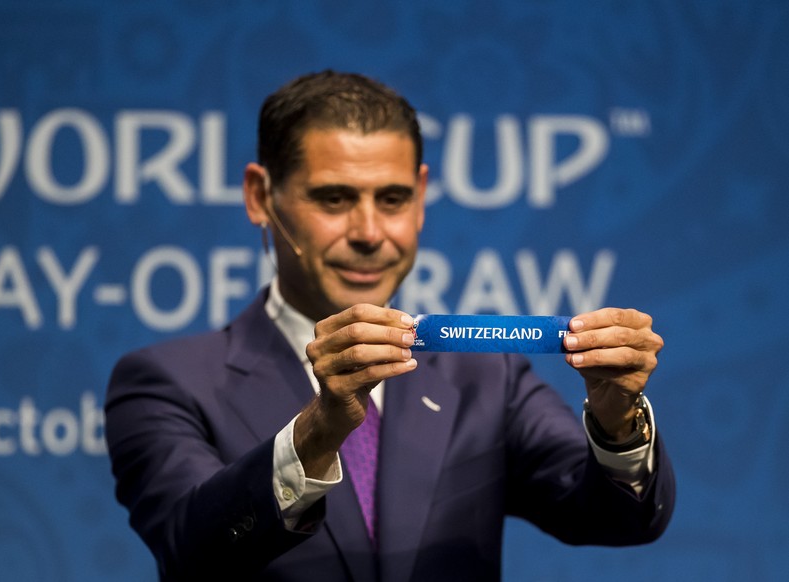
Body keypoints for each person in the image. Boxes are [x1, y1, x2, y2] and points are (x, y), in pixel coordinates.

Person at [105, 70, 675, 581]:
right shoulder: (167, 382)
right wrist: (316, 434)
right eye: (334, 198)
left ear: (422, 198)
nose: (370, 232)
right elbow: (189, 552)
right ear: (260, 196)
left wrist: (615, 419)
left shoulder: (486, 376)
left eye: (394, 198)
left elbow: (616, 517)